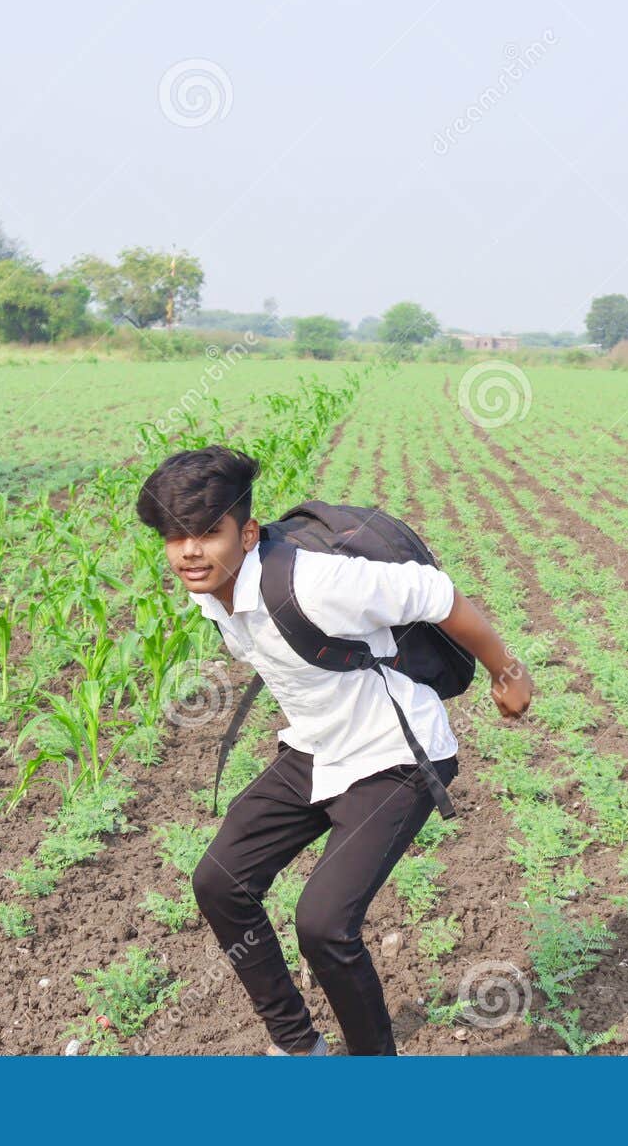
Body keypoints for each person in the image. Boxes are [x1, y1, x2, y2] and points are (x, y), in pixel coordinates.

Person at [135, 444, 534, 1056]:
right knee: (221, 882)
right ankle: (299, 1048)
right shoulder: (204, 587)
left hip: (394, 756)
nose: (189, 551)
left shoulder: (317, 583)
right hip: (316, 748)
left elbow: (437, 594)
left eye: (207, 533)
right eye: (174, 536)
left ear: (247, 534)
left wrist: (507, 674)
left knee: (323, 926)